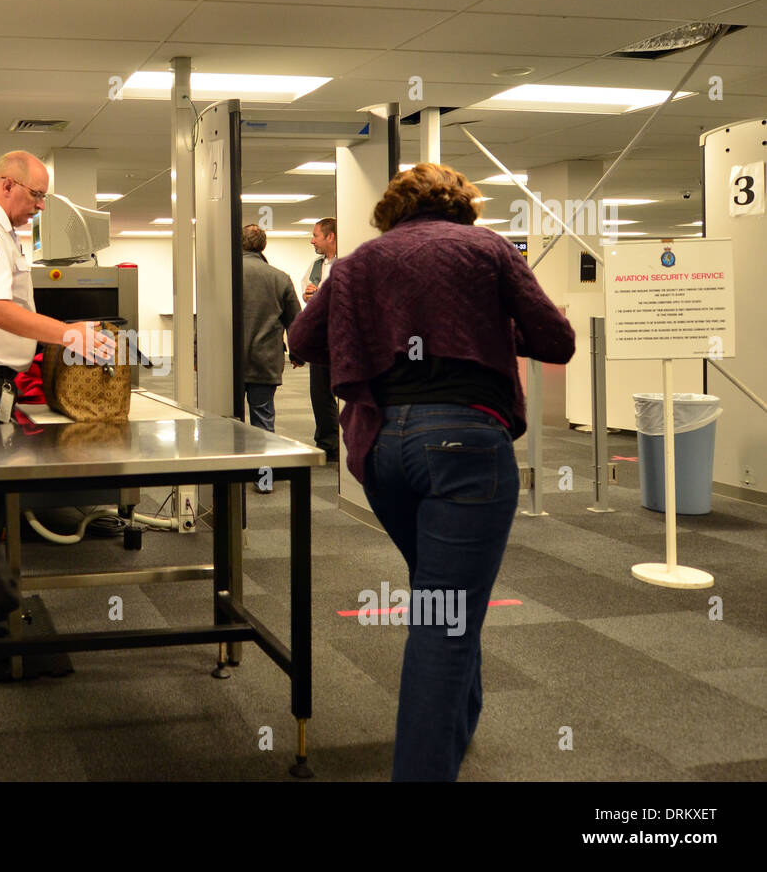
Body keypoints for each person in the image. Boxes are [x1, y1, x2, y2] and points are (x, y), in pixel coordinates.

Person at [289, 163, 575, 782]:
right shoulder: (488, 249)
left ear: (394, 210)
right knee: (445, 617)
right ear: (463, 205)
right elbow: (556, 341)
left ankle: (458, 724)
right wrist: (488, 324)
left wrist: (370, 332)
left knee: (441, 594)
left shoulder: (361, 260)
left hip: (383, 450)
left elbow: (302, 341)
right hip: (466, 445)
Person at [0, 151, 112, 424]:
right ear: (7, 186)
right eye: (37, 194)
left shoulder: (0, 231)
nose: (41, 205)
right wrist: (67, 334)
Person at [239, 224, 300, 443]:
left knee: (226, 423)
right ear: (263, 246)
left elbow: (208, 315)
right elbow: (295, 321)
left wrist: (199, 354)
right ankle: (263, 476)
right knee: (263, 421)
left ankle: (231, 474)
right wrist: (297, 354)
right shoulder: (280, 278)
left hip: (228, 363)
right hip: (265, 362)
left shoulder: (226, 275)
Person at [294, 217, 340, 463]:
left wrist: (320, 295)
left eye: (316, 235)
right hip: (322, 337)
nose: (312, 240)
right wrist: (308, 294)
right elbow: (308, 294)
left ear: (330, 237)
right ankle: (328, 442)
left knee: (348, 391)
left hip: (345, 337)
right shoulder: (316, 265)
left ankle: (349, 441)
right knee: (320, 393)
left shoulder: (348, 262)